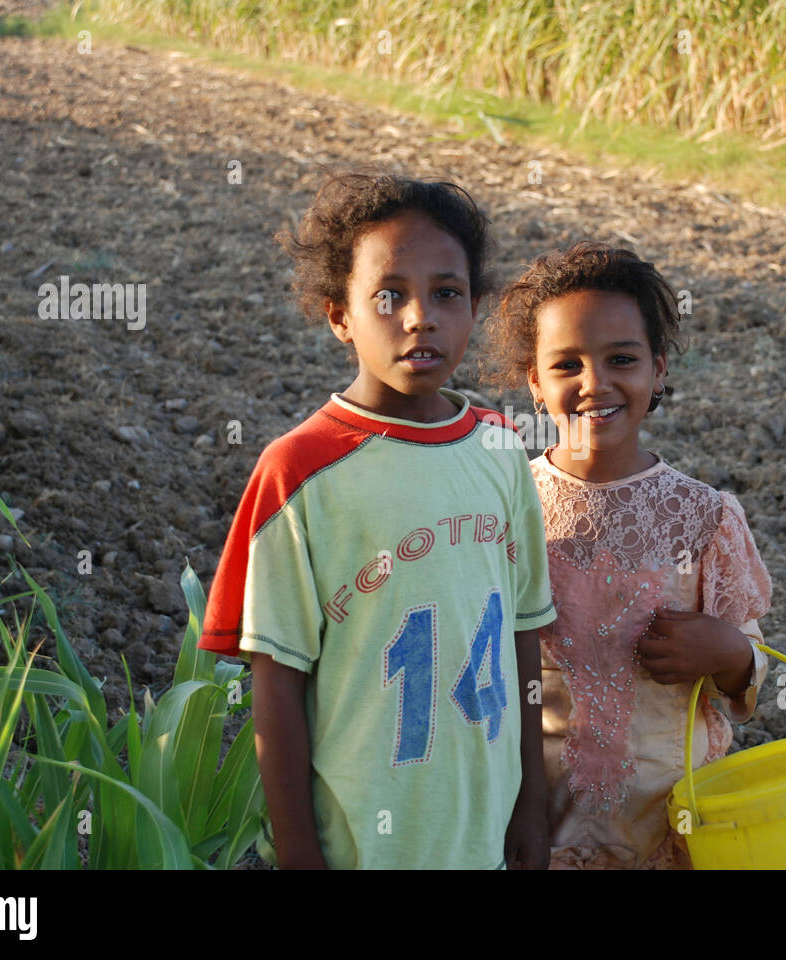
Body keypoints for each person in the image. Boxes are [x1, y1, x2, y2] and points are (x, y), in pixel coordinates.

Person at [198, 170, 556, 869]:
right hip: (363, 844)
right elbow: (276, 689)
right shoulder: (298, 472)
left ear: (475, 308)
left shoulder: (499, 450)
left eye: (446, 293)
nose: (420, 316)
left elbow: (521, 642)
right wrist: (301, 856)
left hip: (481, 835)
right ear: (339, 315)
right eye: (389, 296)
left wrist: (530, 804)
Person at [481, 240, 773, 869]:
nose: (596, 384)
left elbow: (748, 665)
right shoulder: (508, 508)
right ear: (534, 379)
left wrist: (727, 651)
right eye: (567, 365)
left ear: (658, 369)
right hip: (538, 816)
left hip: (671, 814)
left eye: (622, 358)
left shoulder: (704, 518)